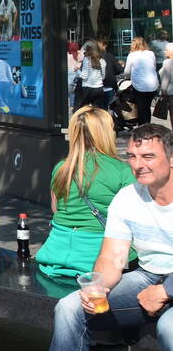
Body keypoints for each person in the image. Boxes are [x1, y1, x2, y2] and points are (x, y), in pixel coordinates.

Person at [23, 122, 173, 351]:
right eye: (131, 156)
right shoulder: (129, 198)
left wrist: (166, 290)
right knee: (69, 307)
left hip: (167, 284)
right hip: (147, 276)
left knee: (170, 328)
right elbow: (112, 257)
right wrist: (99, 286)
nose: (138, 165)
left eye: (148, 156)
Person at [34, 106, 131, 280]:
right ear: (107, 133)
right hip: (98, 260)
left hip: (55, 256)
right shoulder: (122, 171)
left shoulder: (61, 168)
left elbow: (55, 209)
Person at [126, 37, 159, 126]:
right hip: (153, 85)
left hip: (139, 86)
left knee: (141, 108)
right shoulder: (151, 54)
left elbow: (127, 71)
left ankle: (143, 127)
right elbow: (154, 67)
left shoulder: (132, 55)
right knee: (147, 107)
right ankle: (147, 125)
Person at [73, 40, 106, 110]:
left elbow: (84, 77)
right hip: (99, 88)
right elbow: (103, 76)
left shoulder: (87, 60)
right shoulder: (102, 61)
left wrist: (77, 70)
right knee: (98, 110)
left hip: (88, 88)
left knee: (84, 109)